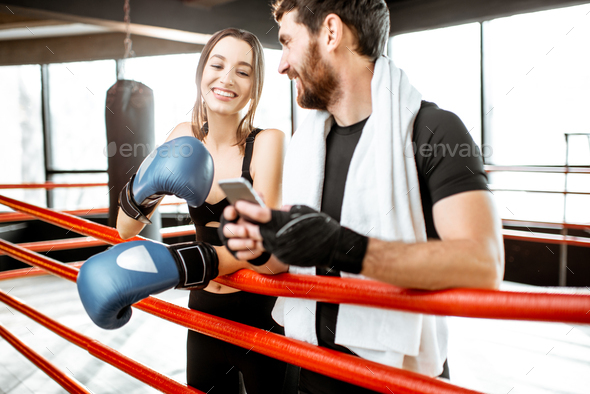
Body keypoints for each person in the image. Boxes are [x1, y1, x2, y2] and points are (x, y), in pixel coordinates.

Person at [219, 1, 505, 393]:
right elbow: (297, 259)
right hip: (311, 369)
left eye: (287, 42)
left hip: (399, 379)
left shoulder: (434, 130)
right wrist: (260, 242)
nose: (282, 64)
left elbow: (483, 262)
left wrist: (342, 246)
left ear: (331, 33)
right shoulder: (306, 144)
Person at [116, 28, 288, 393]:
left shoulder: (268, 143)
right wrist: (145, 187)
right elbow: (125, 229)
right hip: (204, 310)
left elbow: (267, 253)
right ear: (201, 72)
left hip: (261, 313)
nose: (226, 79)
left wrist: (176, 266)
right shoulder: (183, 136)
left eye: (243, 71)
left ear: (255, 85)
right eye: (217, 64)